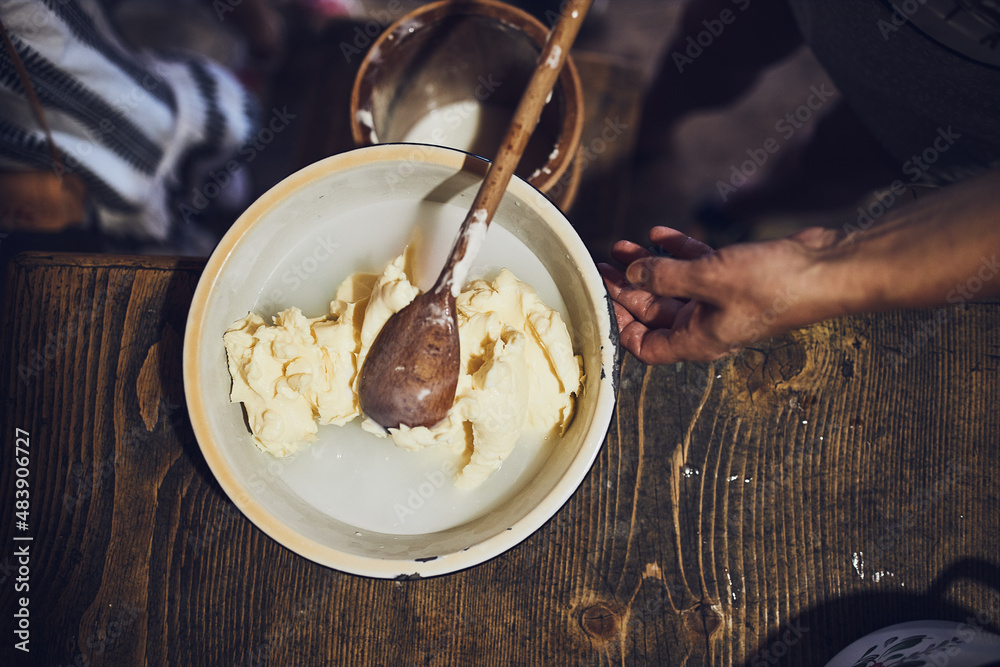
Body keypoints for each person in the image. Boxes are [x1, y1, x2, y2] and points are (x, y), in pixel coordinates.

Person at [602, 0, 1000, 365]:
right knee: (712, 44)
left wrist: (817, 267)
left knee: (842, 160)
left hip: (961, 98)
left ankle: (732, 212)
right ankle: (645, 136)